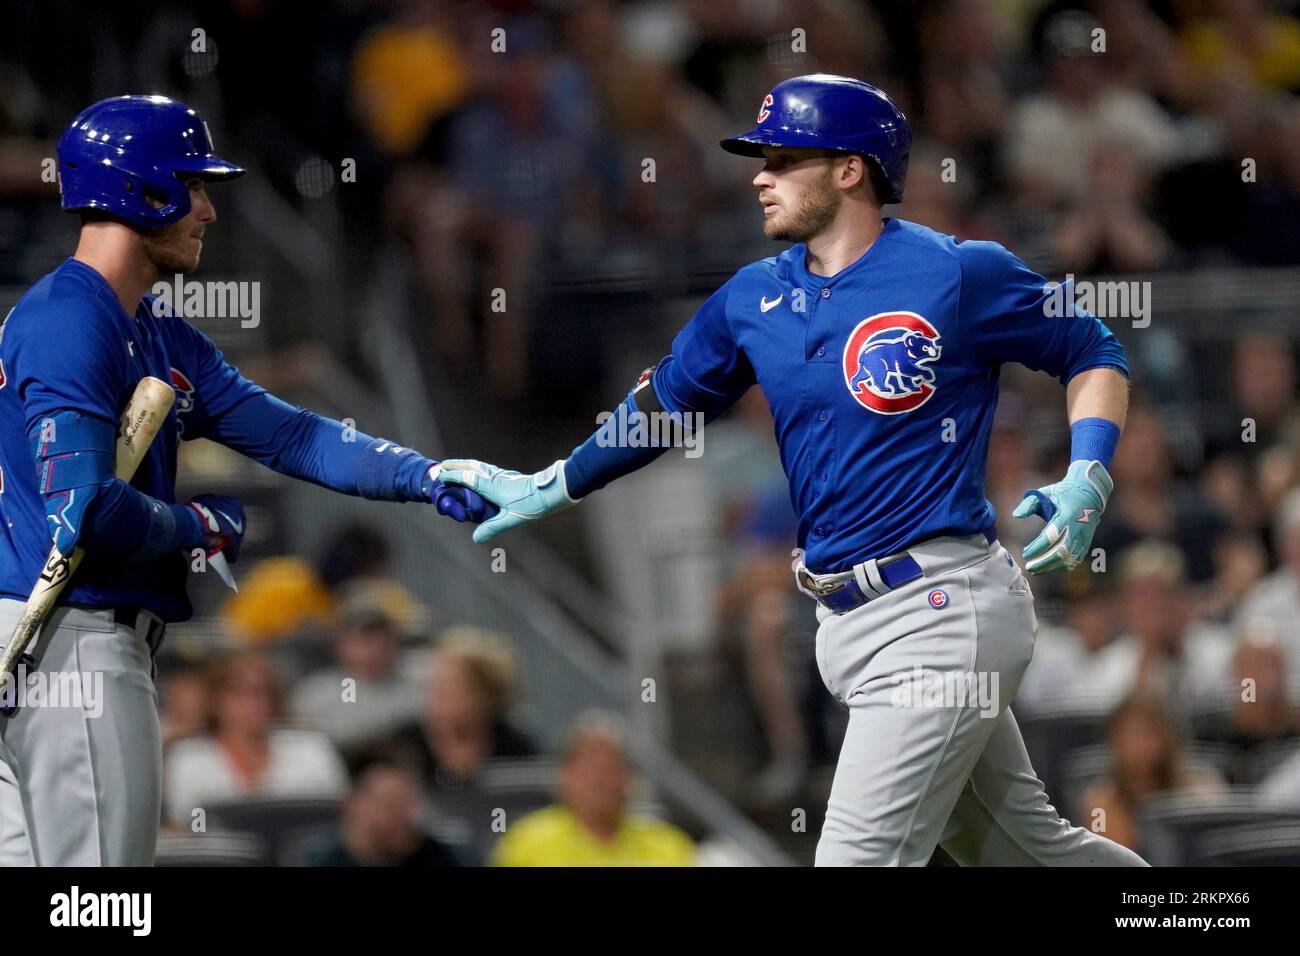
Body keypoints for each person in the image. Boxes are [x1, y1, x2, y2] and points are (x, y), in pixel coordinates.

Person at [440, 74, 1147, 866]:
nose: (758, 175)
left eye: (781, 157)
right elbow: (666, 405)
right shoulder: (752, 296)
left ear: (851, 169)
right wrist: (555, 481)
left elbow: (1092, 348)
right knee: (1027, 854)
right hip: (845, 622)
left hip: (941, 611)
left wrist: (1089, 471)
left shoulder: (956, 272)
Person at [0, 95, 491, 866]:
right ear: (142, 189)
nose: (207, 210)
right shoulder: (71, 319)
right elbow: (89, 511)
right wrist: (199, 529)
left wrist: (424, 475)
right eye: (192, 186)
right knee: (97, 909)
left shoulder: (152, 330)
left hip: (47, 647)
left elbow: (294, 434)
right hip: (68, 644)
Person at [164, 651, 347, 825]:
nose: (254, 702)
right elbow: (186, 827)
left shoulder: (312, 749)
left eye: (263, 692)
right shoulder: (188, 759)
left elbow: (337, 817)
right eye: (240, 693)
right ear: (216, 700)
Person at [491, 712, 694, 867]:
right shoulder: (526, 843)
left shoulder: (668, 847)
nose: (601, 779)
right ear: (564, 774)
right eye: (589, 767)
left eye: (612, 767)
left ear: (629, 778)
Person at [305, 757, 467, 867]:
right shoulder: (319, 861)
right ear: (355, 807)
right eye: (392, 805)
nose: (407, 816)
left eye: (410, 803)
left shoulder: (439, 856)